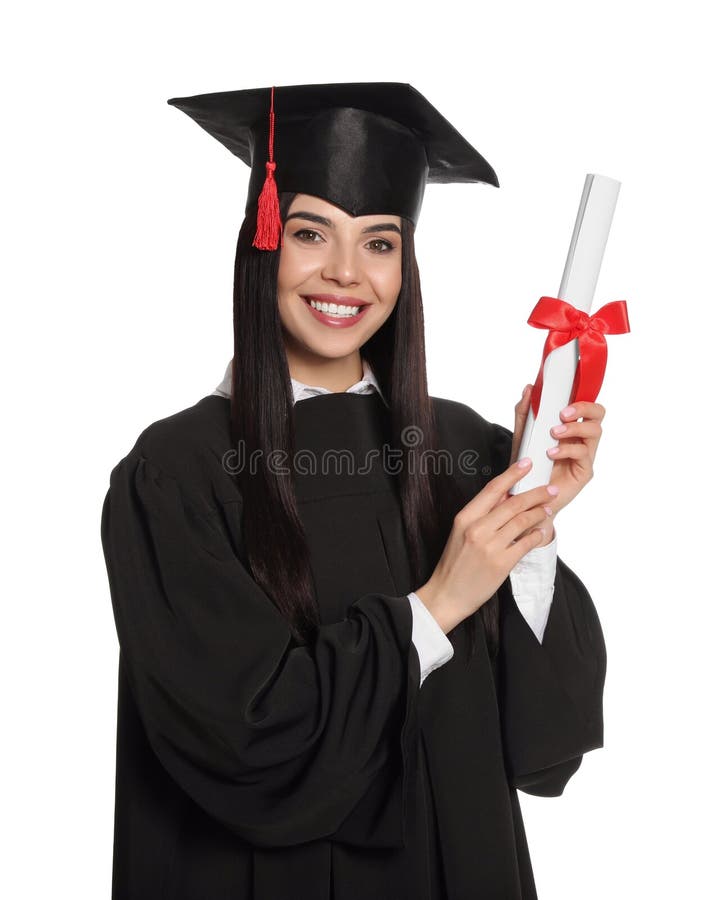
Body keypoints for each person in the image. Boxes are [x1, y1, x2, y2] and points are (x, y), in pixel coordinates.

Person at [100, 82, 606, 900]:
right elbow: (247, 741)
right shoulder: (176, 473)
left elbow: (547, 749)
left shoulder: (466, 448)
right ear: (262, 242)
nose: (345, 273)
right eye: (310, 233)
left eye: (379, 243)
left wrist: (531, 523)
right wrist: (438, 602)